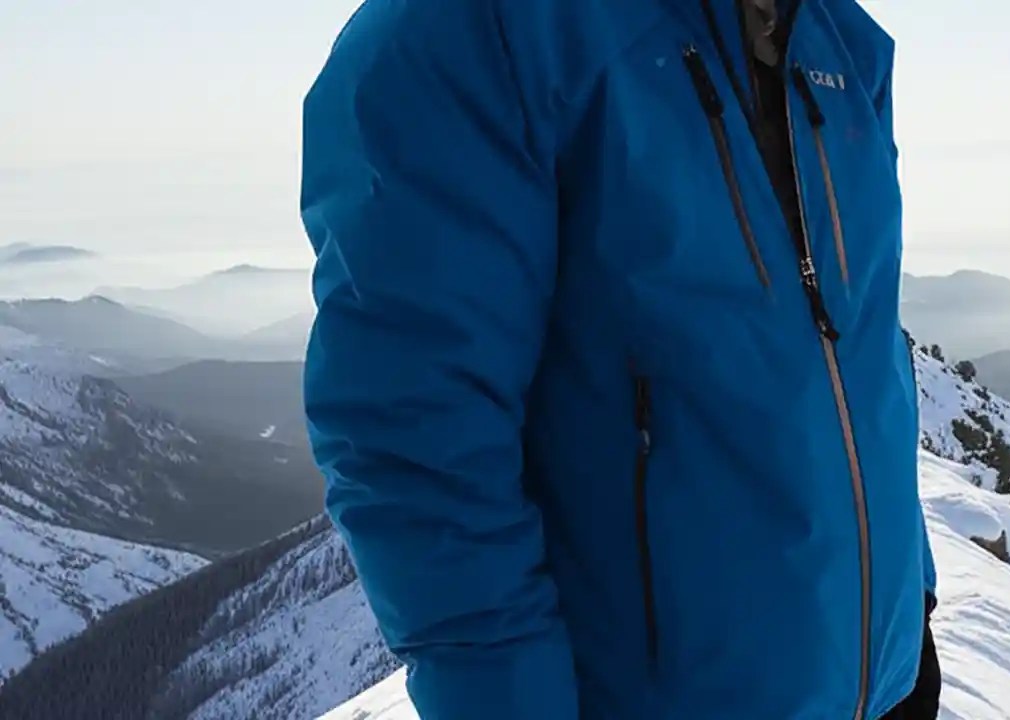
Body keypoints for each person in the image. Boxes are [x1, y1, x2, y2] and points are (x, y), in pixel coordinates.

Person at [301, 0, 941, 717]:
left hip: (883, 684)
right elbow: (417, 429)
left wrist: (909, 599)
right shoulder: (476, 29)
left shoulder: (836, 34)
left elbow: (861, 347)